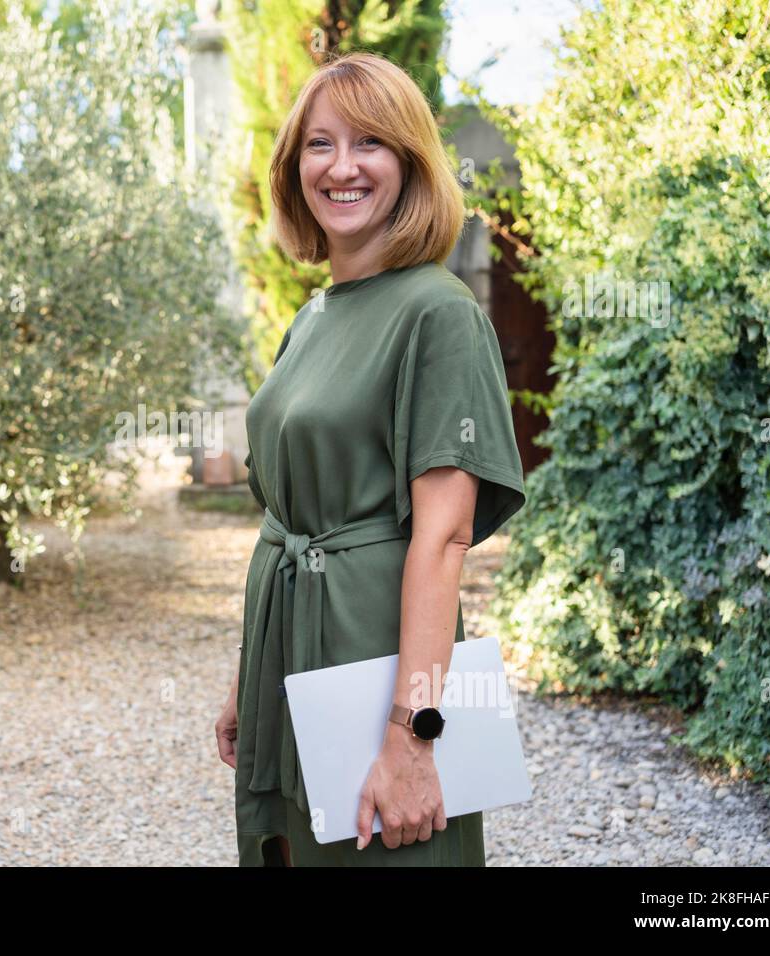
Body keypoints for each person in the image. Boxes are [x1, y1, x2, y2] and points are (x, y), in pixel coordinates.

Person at [214, 51, 527, 866]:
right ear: (294, 168)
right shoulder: (313, 318)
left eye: (370, 144)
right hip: (293, 657)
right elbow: (287, 519)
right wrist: (252, 676)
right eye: (320, 144)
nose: (342, 166)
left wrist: (414, 738)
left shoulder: (438, 313)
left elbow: (446, 538)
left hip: (373, 660)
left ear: (411, 164)